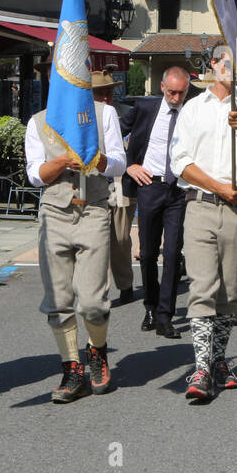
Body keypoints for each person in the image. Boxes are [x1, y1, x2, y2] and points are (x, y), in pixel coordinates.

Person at [169, 44, 237, 400]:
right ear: (212, 65)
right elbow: (179, 161)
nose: (231, 68)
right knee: (202, 286)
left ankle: (220, 359)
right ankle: (200, 368)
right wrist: (217, 188)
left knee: (229, 290)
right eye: (226, 62)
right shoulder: (194, 108)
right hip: (201, 206)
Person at [25, 69, 126, 402]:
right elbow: (35, 176)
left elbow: (119, 164)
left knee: (93, 301)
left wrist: (94, 159)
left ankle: (97, 352)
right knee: (58, 300)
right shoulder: (38, 122)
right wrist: (64, 160)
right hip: (54, 213)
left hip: (93, 208)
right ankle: (71, 368)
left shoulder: (104, 112)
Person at [119, 67, 193, 339]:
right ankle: (150, 306)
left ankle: (165, 314)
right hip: (150, 184)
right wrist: (129, 165)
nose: (176, 98)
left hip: (179, 189)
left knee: (173, 252)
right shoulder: (145, 108)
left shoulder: (192, 111)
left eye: (181, 92)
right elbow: (113, 134)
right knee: (149, 253)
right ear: (162, 87)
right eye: (171, 92)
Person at [95, 75, 134, 305]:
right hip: (94, 185)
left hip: (121, 183)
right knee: (97, 241)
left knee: (120, 238)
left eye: (108, 91)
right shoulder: (87, 116)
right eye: (100, 93)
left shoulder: (126, 112)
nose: (106, 97)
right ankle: (100, 292)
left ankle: (126, 284)